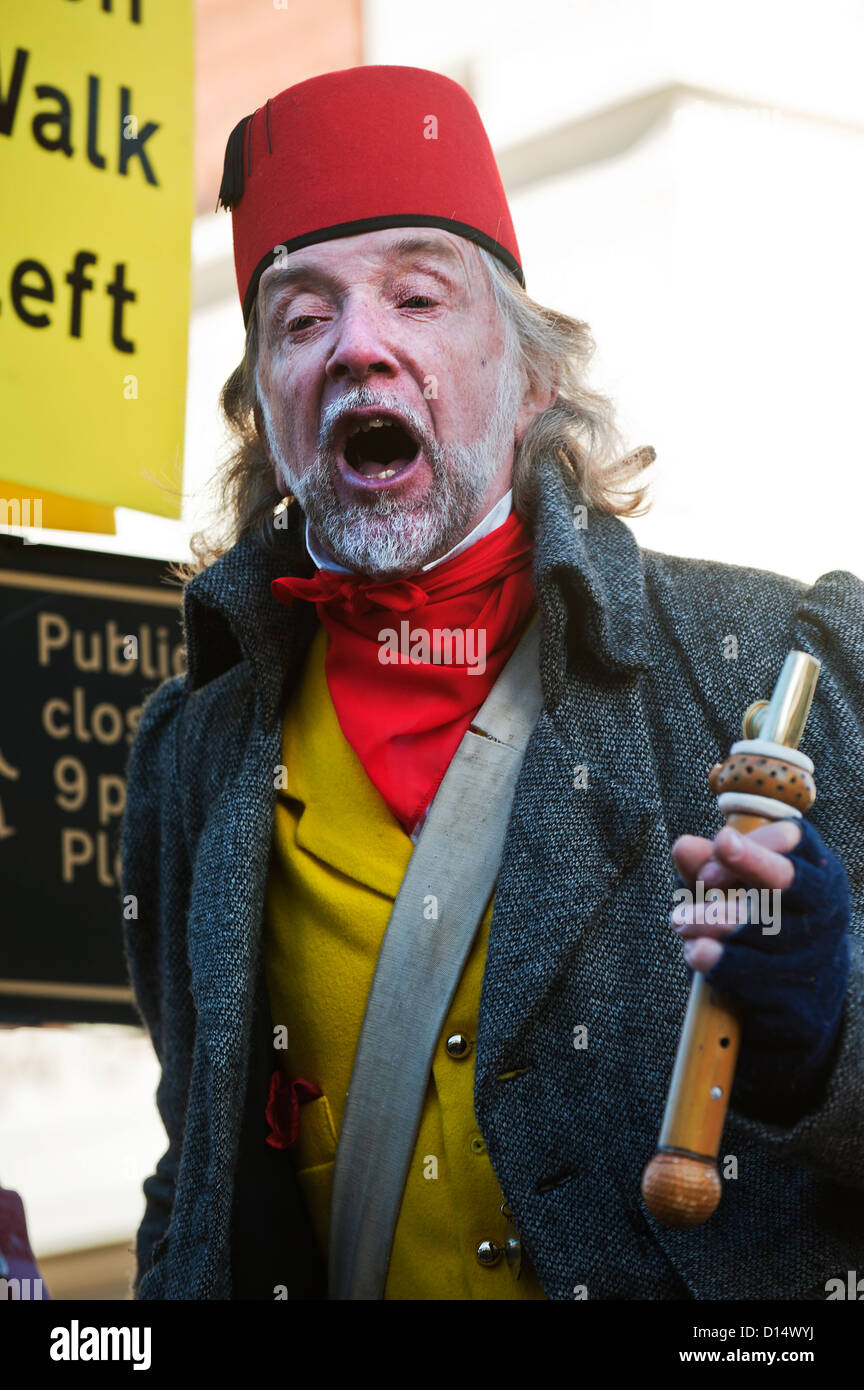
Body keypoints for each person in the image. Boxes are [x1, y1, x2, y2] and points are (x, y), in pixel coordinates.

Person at [121, 65, 864, 1301]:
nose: (360, 345)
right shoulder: (193, 750)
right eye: (301, 321)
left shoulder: (781, 666)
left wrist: (824, 1027)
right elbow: (197, 1174)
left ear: (531, 380)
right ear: (268, 411)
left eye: (418, 295)